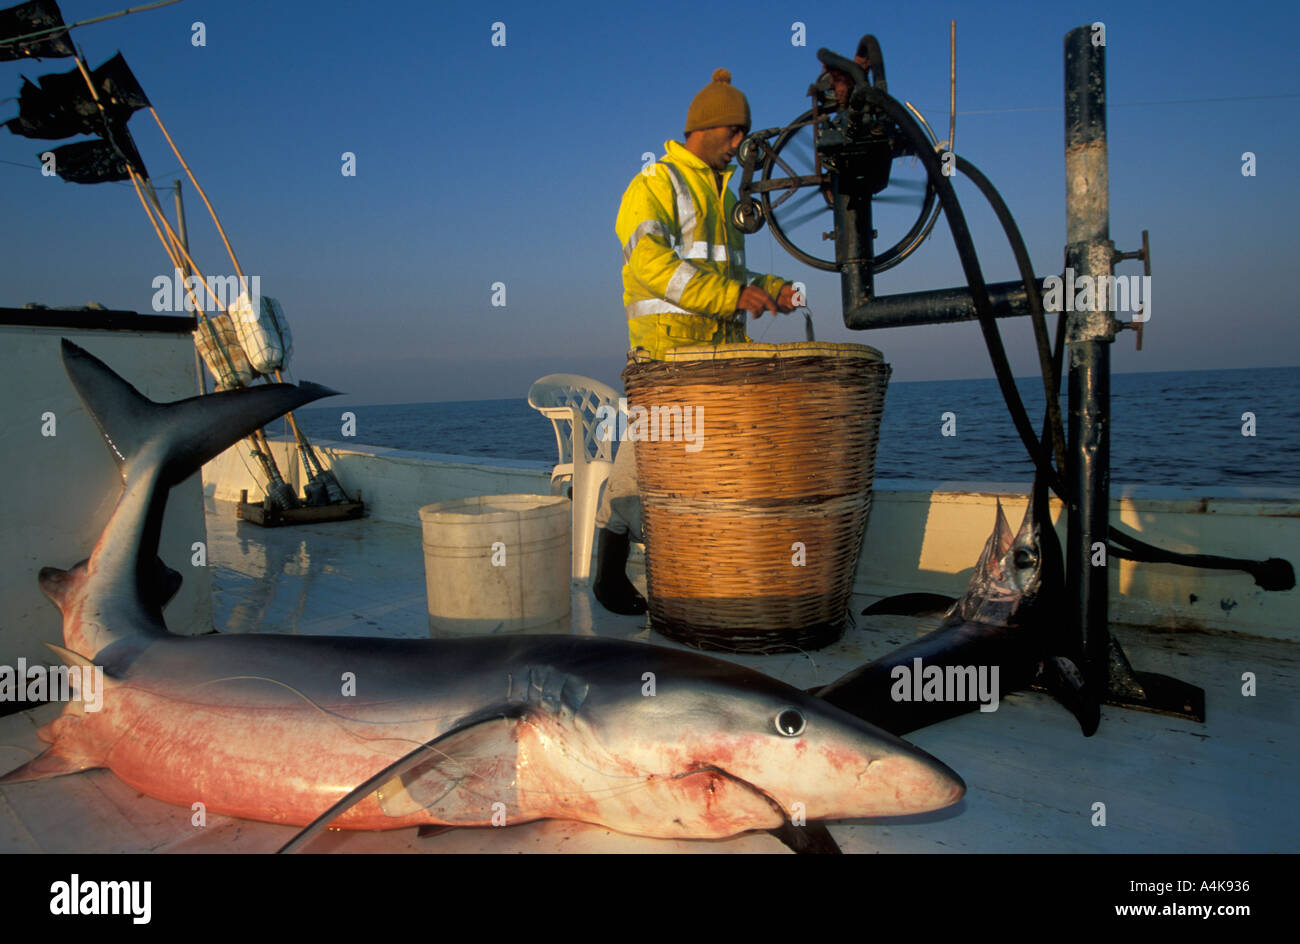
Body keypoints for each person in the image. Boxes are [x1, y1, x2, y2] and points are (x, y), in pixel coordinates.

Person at [594, 68, 797, 616]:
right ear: (706, 128)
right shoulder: (653, 184)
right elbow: (653, 267)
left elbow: (735, 273)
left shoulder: (726, 197)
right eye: (734, 132)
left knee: (702, 476)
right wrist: (730, 298)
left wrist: (774, 291)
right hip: (665, 359)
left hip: (720, 363)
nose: (739, 145)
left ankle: (697, 573)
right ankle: (607, 575)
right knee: (641, 468)